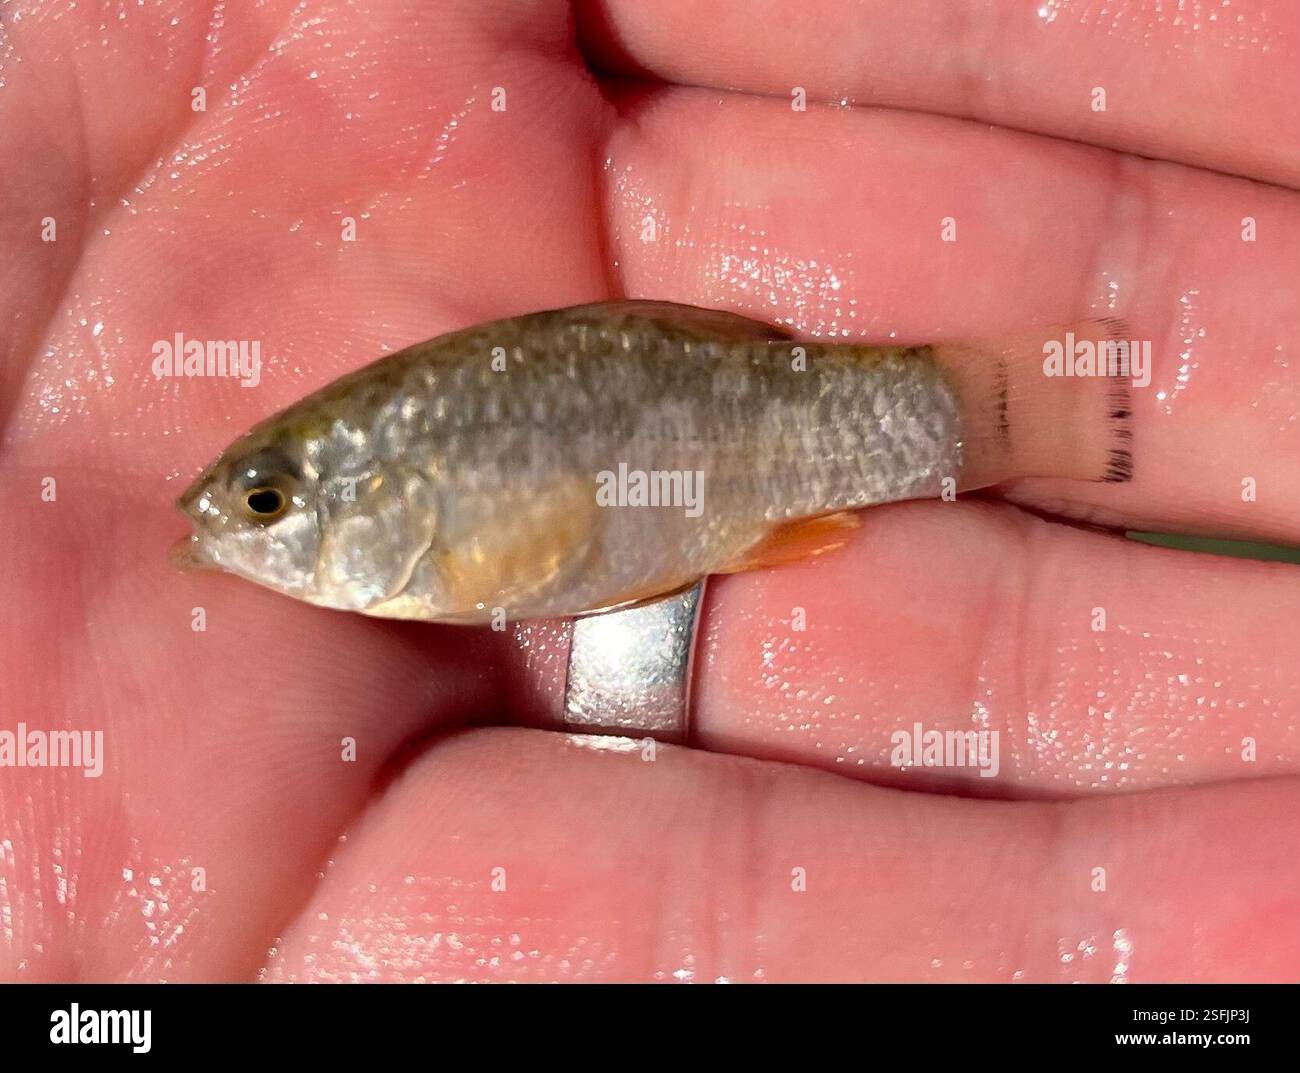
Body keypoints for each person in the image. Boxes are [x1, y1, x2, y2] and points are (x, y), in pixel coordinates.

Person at [1, 0, 1297, 982]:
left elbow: (558, 544)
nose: (243, 526)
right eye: (266, 503)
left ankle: (1035, 405)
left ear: (369, 490)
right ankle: (1031, 405)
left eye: (273, 502)